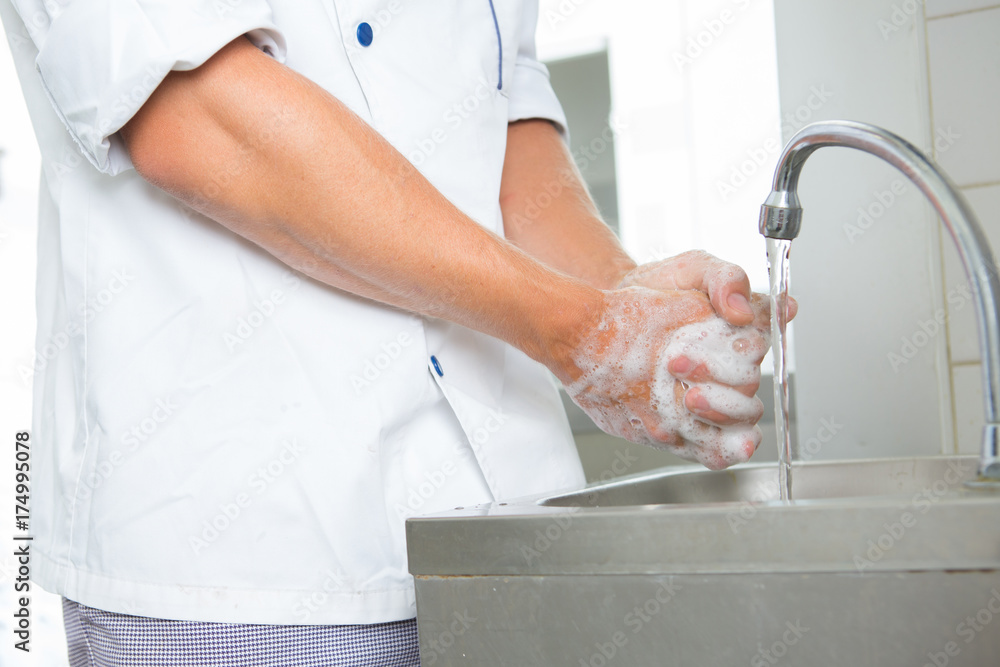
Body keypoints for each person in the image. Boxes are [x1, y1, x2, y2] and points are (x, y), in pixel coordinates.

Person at [1, 0, 788, 664]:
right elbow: (204, 120)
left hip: (510, 534)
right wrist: (579, 327)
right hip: (252, 563)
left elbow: (505, 116)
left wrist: (639, 319)